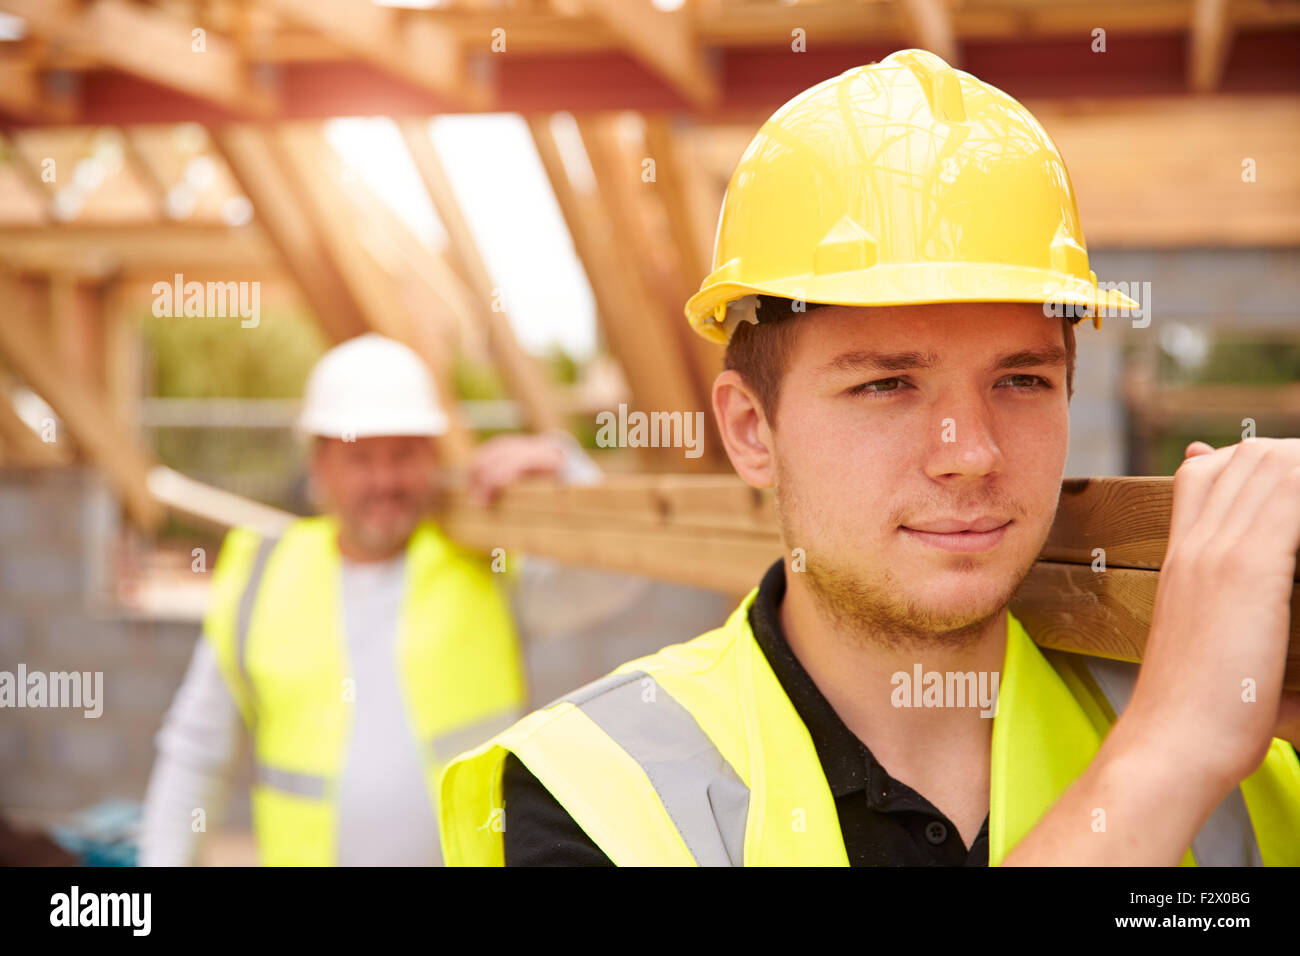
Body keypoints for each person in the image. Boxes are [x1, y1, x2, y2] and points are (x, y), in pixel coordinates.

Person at [437, 50, 1300, 866]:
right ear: (750, 430)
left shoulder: (1262, 754)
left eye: (1022, 380)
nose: (971, 455)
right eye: (887, 385)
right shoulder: (594, 796)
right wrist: (1169, 754)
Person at [139, 333, 643, 865]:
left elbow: (618, 575)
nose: (385, 480)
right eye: (362, 458)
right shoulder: (263, 575)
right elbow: (195, 756)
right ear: (320, 467)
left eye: (404, 454)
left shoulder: (482, 564)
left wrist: (565, 467)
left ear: (430, 456)